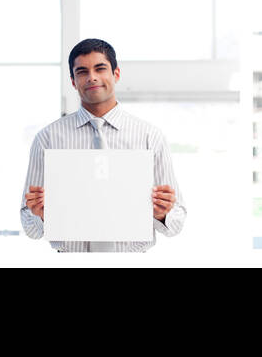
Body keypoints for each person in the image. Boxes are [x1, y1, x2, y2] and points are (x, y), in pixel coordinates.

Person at [20, 38, 185, 252]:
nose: (92, 77)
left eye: (100, 68)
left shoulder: (149, 137)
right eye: (82, 72)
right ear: (73, 81)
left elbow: (177, 223)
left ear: (116, 74)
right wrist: (41, 214)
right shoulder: (48, 138)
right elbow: (30, 227)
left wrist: (162, 214)